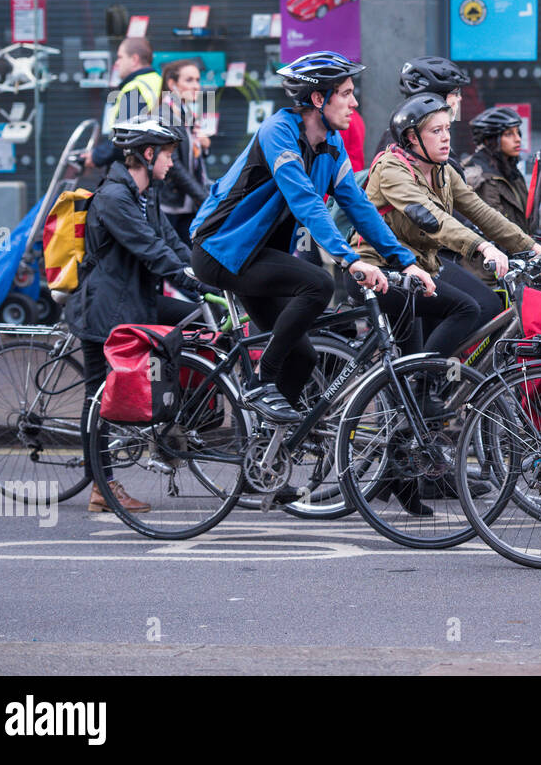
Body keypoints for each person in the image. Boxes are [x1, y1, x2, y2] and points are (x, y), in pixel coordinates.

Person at [190, 50, 434, 431]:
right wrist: (350, 260)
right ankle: (261, 381)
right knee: (317, 283)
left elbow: (359, 207)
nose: (355, 102)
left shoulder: (331, 147)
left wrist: (406, 261)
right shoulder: (278, 132)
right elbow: (305, 201)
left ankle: (266, 457)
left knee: (303, 358)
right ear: (319, 98)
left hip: (257, 255)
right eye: (347, 93)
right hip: (221, 250)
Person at [66, 115, 207, 513]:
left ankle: (174, 415)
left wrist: (203, 275)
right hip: (104, 309)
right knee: (99, 398)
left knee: (196, 318)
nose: (171, 165)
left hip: (136, 300)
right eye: (167, 156)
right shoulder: (114, 198)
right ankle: (102, 486)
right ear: (147, 155)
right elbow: (151, 250)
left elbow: (169, 242)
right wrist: (196, 282)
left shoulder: (146, 194)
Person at [356, 93, 541, 358]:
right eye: (436, 131)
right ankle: (425, 381)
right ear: (411, 137)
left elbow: (481, 211)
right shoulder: (392, 169)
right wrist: (483, 247)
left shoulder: (442, 170)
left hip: (421, 264)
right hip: (380, 266)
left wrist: (534, 247)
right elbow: (432, 218)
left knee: (488, 303)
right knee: (466, 308)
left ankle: (440, 381)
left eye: (447, 129)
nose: (446, 137)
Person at [460, 106, 532, 287]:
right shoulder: (478, 176)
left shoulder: (510, 169)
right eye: (508, 134)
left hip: (513, 266)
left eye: (518, 133)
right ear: (491, 140)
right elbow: (492, 227)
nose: (518, 139)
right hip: (488, 272)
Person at [85, 37, 162, 171]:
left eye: (120, 57)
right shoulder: (158, 81)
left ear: (134, 60)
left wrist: (96, 156)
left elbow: (125, 136)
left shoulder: (136, 88)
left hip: (135, 170)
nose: (117, 63)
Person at [157, 59, 211, 246]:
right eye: (189, 80)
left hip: (186, 204)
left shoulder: (185, 114)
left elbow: (191, 157)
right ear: (172, 84)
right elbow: (174, 166)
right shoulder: (166, 115)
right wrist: (203, 197)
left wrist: (203, 146)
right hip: (172, 205)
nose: (196, 85)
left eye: (197, 80)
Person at [374, 56, 470, 154]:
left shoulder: (419, 140)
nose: (459, 98)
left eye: (447, 129)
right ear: (436, 97)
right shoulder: (398, 144)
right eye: (456, 93)